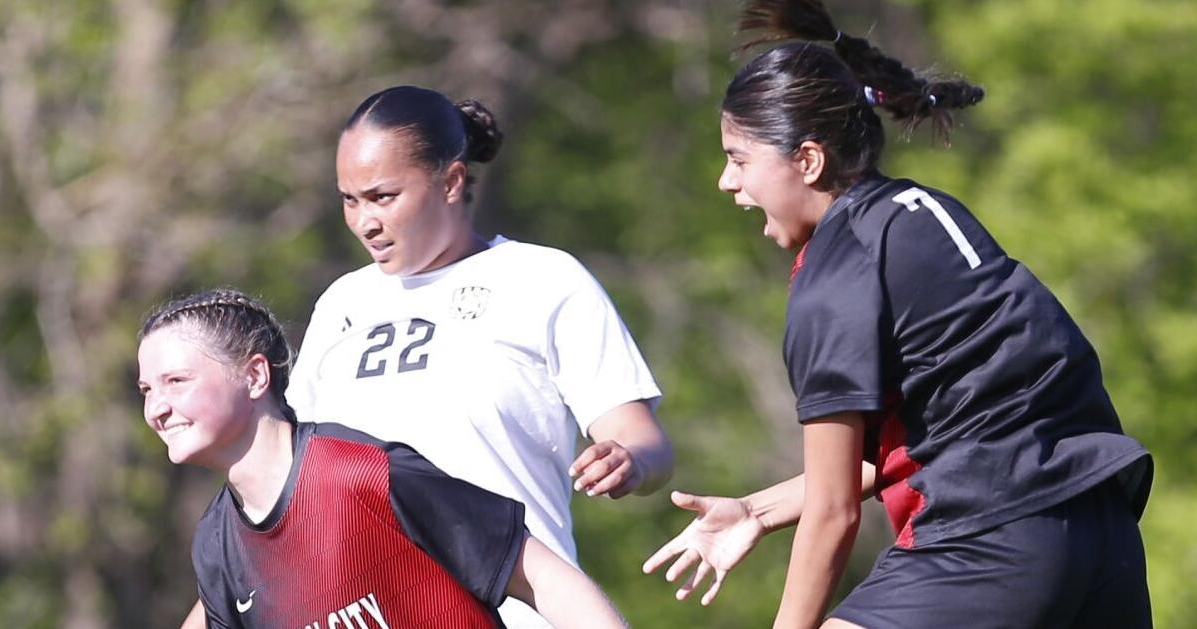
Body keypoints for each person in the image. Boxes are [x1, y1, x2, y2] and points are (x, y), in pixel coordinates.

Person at [643, 2, 1152, 628]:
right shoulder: (925, 212)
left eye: (739, 159)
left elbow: (834, 512)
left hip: (989, 541)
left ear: (807, 160)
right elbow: (933, 439)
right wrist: (756, 512)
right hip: (1100, 531)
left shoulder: (835, 272)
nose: (727, 182)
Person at [174, 85, 673, 629]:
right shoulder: (343, 304)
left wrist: (628, 459)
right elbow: (285, 484)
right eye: (349, 199)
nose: (364, 221)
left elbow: (644, 441)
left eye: (383, 196)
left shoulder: (541, 280)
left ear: (452, 181)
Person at [139, 288, 628, 629]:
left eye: (176, 382)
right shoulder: (216, 542)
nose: (157, 408)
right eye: (146, 390)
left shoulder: (363, 473)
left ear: (254, 377)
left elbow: (543, 576)